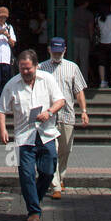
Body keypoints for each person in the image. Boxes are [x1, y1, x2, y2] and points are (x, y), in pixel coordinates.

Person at [0, 49, 64, 221]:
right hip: (23, 137)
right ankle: (33, 210)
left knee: (48, 171)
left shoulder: (47, 79)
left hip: (46, 134)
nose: (25, 72)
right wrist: (3, 129)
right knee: (26, 175)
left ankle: (35, 197)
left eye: (29, 68)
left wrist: (49, 112)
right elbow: (2, 109)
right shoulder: (12, 84)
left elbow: (60, 101)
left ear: (36, 66)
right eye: (22, 68)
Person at [40, 37, 89, 197]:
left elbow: (79, 90)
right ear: (49, 50)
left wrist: (83, 110)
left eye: (59, 51)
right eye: (54, 51)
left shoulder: (72, 67)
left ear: (65, 50)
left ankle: (61, 176)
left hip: (67, 115)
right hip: (49, 116)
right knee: (51, 150)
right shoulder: (41, 68)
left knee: (65, 150)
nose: (57, 54)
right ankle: (55, 186)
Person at [96, 4, 111, 88]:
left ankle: (102, 81)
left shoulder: (98, 18)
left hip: (102, 42)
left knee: (101, 62)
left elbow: (98, 30)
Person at [72, 0, 93, 83]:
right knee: (84, 60)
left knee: (74, 59)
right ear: (86, 3)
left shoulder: (72, 12)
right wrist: (91, 39)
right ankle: (83, 80)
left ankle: (72, 78)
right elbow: (90, 28)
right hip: (84, 37)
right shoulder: (88, 14)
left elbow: (67, 24)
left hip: (73, 37)